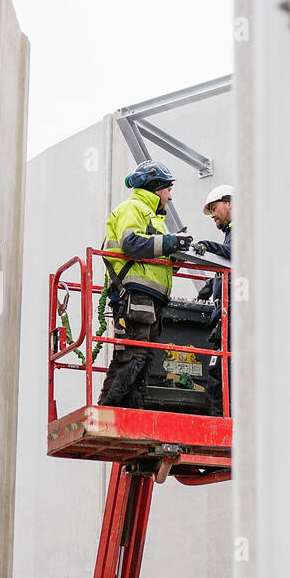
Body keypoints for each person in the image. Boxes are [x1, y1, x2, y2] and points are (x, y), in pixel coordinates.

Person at [97, 160, 191, 408]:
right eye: (168, 190)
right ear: (157, 188)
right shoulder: (132, 208)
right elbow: (131, 245)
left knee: (145, 358)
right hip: (133, 295)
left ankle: (131, 412)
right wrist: (171, 243)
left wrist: (175, 255)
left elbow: (152, 255)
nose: (170, 198)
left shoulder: (153, 218)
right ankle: (107, 410)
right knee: (132, 357)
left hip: (150, 298)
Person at [194, 185, 233, 415]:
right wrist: (211, 286)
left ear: (230, 203)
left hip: (235, 317)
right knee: (218, 376)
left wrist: (208, 248)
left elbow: (237, 254)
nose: (213, 215)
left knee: (227, 373)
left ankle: (226, 422)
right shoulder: (231, 234)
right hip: (225, 320)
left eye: (214, 208)